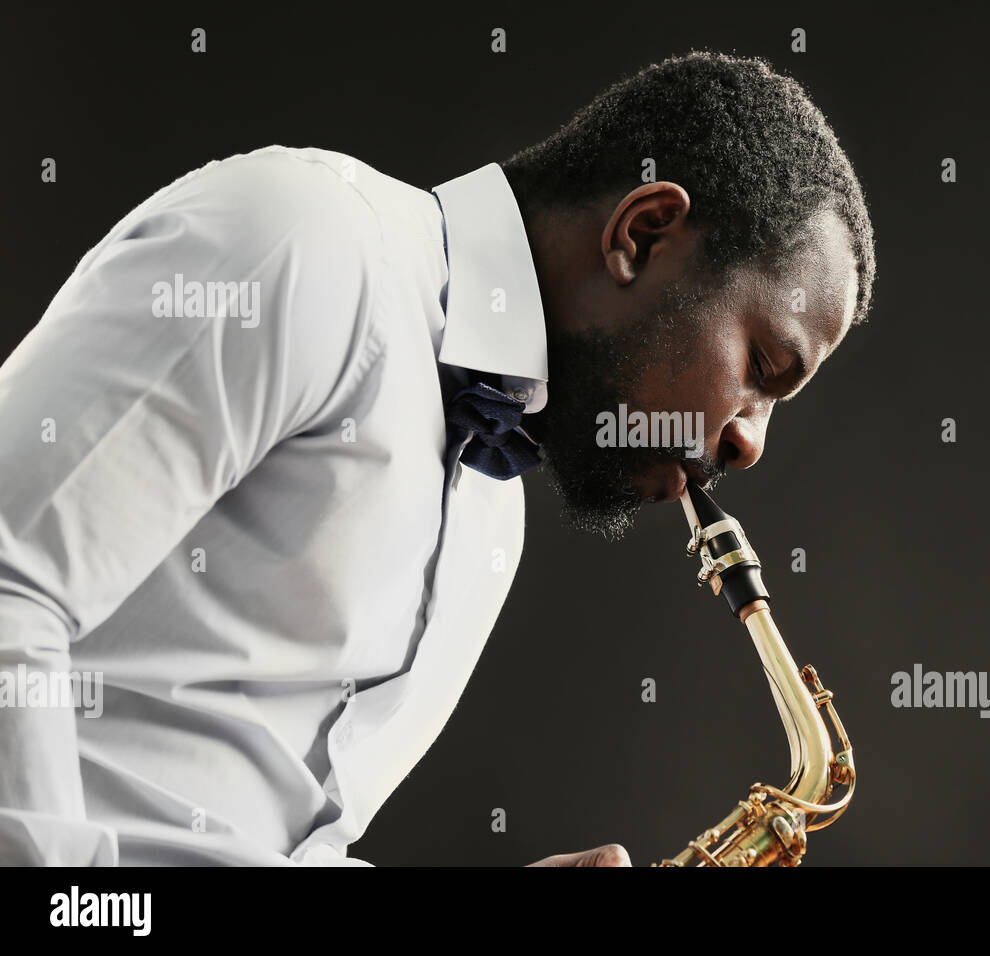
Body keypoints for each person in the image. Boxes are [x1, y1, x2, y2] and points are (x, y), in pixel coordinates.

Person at [0, 51, 874, 866]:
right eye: (763, 370)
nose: (751, 442)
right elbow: (11, 588)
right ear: (643, 234)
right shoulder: (306, 242)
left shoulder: (494, 520)